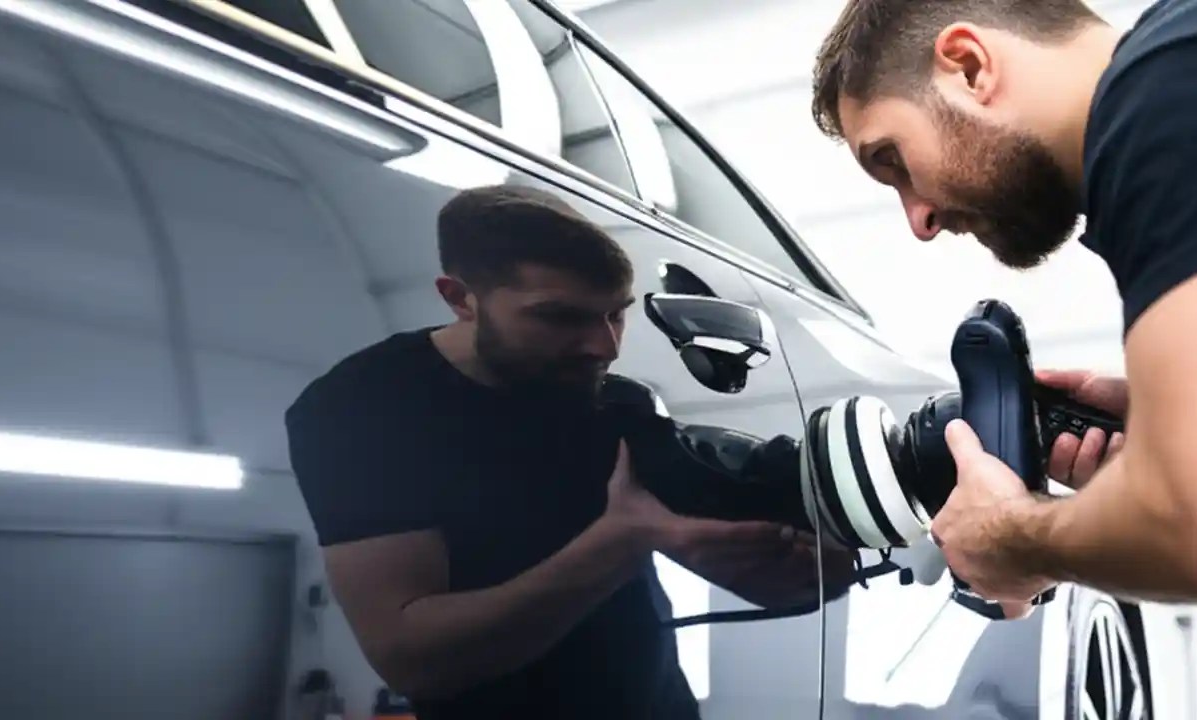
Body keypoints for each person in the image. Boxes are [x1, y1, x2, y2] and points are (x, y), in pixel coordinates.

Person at [283, 184, 825, 719]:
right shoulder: (361, 409)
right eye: (560, 317)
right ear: (458, 297)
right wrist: (622, 543)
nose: (605, 348)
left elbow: (709, 529)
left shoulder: (608, 398)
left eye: (615, 313)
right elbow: (412, 660)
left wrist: (794, 558)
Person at [809, 0, 1197, 606]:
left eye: (894, 161)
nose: (919, 220)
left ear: (968, 66)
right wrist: (1187, 414)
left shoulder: (1163, 103)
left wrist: (1012, 539)